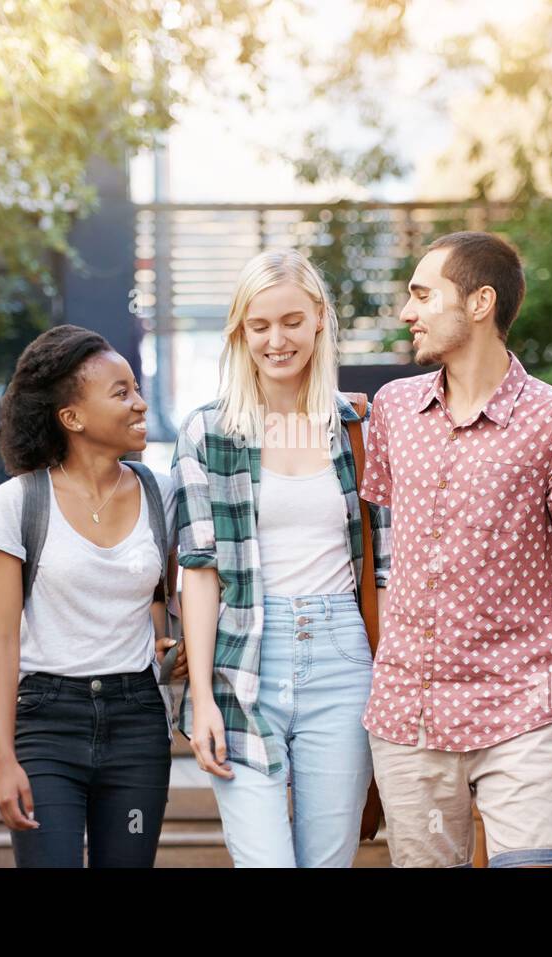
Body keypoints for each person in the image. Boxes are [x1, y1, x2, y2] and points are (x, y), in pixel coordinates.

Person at [359, 231, 552, 868]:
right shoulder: (394, 409)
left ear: (479, 303)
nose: (407, 312)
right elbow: (379, 555)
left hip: (523, 710)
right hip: (409, 715)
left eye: (423, 295)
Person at [170, 248, 392, 867]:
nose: (276, 340)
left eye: (291, 320)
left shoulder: (360, 431)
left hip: (344, 658)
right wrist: (205, 697)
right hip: (244, 658)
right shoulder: (207, 432)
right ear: (240, 331)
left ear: (319, 318)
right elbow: (199, 569)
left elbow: (386, 572)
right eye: (259, 325)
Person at [0, 324, 185, 867]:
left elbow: (168, 597)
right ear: (73, 418)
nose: (139, 404)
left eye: (136, 389)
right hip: (44, 719)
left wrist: (172, 646)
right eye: (121, 393)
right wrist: (5, 762)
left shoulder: (162, 494)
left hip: (136, 719)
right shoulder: (17, 503)